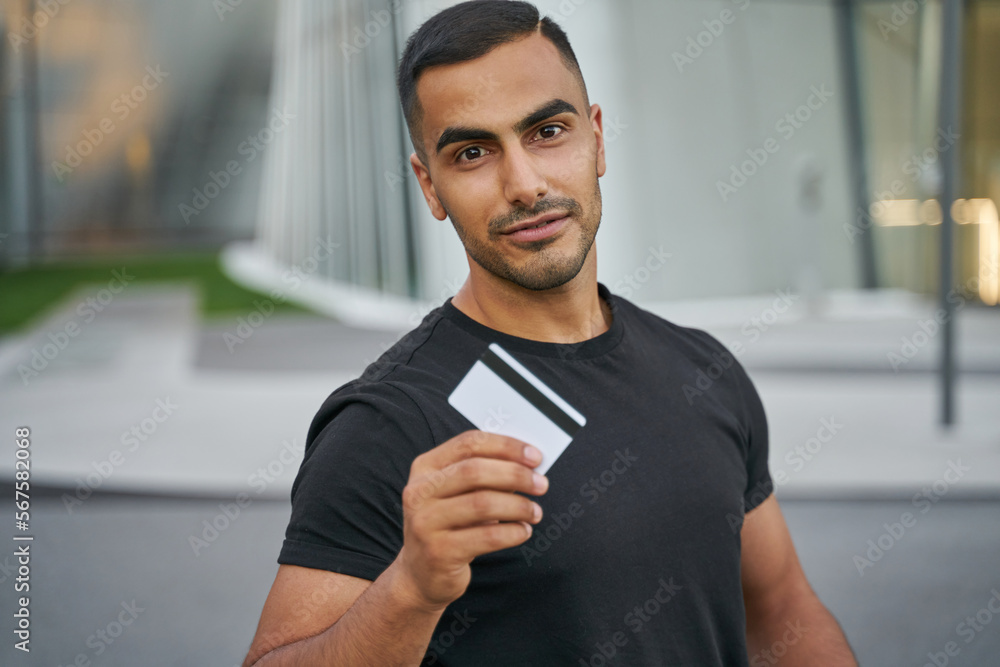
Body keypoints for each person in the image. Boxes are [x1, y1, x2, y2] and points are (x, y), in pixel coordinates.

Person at [243, 1, 858, 664]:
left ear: (596, 138)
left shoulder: (702, 367)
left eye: (546, 131)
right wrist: (411, 590)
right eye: (473, 151)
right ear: (430, 186)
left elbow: (782, 609)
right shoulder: (386, 423)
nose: (524, 184)